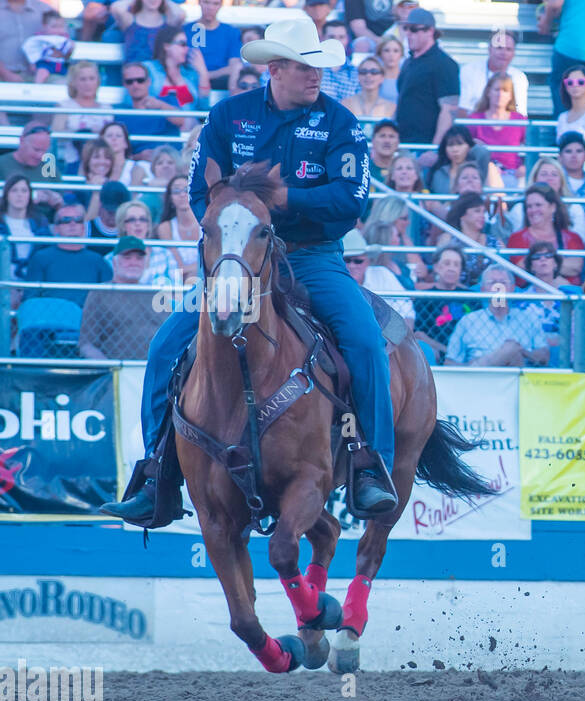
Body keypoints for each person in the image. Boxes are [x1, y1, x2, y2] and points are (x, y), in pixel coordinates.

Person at [101, 17, 399, 525]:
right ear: (276, 68)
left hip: (312, 259)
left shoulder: (341, 123)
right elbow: (200, 192)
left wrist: (286, 200)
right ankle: (156, 475)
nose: (317, 77)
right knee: (165, 347)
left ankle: (373, 466)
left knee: (366, 341)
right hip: (238, 261)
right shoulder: (226, 117)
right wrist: (234, 231)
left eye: (319, 68)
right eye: (307, 67)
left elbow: (353, 200)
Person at [78, 235, 166, 359]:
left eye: (139, 258)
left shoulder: (155, 293)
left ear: (145, 263)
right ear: (114, 262)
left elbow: (172, 336)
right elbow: (86, 344)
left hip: (158, 369)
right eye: (127, 257)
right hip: (119, 370)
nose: (133, 263)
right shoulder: (100, 293)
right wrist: (109, 368)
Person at [445, 263, 550, 366]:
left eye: (503, 283)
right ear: (483, 290)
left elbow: (544, 356)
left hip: (518, 378)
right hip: (478, 379)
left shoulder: (529, 318)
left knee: (514, 353)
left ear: (513, 289)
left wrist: (521, 350)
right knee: (510, 349)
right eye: (492, 283)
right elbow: (449, 362)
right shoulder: (468, 321)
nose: (498, 288)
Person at [24, 201, 112, 306]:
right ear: (56, 228)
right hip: (51, 318)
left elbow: (109, 300)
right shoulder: (40, 258)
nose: (72, 224)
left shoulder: (98, 261)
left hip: (88, 319)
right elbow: (30, 299)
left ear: (83, 227)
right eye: (66, 220)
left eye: (78, 220)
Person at [395, 9, 459, 145]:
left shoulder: (444, 63)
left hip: (425, 144)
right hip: (404, 141)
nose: (408, 33)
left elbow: (449, 110)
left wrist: (435, 149)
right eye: (406, 28)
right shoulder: (408, 62)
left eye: (413, 29)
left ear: (430, 31)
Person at [508, 184, 585, 281]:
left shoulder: (572, 237)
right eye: (529, 206)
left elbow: (576, 267)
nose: (533, 210)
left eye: (538, 205)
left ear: (553, 207)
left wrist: (537, 263)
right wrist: (557, 263)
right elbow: (520, 269)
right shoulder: (517, 238)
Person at [455, 28, 529, 122]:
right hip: (474, 127)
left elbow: (520, 115)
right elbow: (463, 109)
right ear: (489, 49)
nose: (504, 53)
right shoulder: (469, 70)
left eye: (508, 49)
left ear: (514, 53)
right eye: (499, 48)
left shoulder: (519, 77)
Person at [468, 72, 527, 188]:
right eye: (496, 90)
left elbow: (531, 148)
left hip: (513, 174)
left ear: (510, 95)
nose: (500, 94)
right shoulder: (474, 119)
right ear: (488, 92)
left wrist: (524, 167)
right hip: (482, 174)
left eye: (505, 90)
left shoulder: (519, 120)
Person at [143, 24, 210, 110]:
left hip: (189, 122)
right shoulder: (147, 69)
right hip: (157, 121)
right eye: (182, 44)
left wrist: (203, 73)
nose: (186, 48)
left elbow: (203, 109)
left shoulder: (191, 74)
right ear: (166, 46)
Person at [106, 0, 185, 67]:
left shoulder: (168, 22)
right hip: (135, 74)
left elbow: (180, 14)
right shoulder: (130, 21)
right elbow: (116, 7)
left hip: (159, 74)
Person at [0, 174, 49, 279]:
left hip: (33, 280)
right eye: (14, 190)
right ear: (6, 195)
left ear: (29, 195)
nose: (19, 195)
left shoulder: (40, 222)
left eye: (24, 191)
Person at [0, 122, 63, 203]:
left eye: (44, 151)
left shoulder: (49, 168)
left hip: (43, 214)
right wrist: (31, 197)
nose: (40, 156)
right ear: (22, 141)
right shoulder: (2, 164)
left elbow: (62, 204)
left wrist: (55, 200)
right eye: (36, 150)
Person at [185, 0, 241, 90]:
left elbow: (234, 65)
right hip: (191, 82)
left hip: (222, 83)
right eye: (206, 2)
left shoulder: (231, 32)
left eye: (215, 3)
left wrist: (206, 75)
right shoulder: (185, 30)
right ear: (199, 3)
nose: (210, 7)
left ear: (220, 5)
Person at [22, 9, 72, 83]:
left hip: (61, 64)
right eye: (54, 26)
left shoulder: (65, 39)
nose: (58, 30)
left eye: (61, 26)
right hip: (46, 63)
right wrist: (32, 63)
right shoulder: (39, 39)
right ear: (45, 26)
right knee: (42, 72)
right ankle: (37, 87)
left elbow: (67, 52)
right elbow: (30, 49)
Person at [342, 55, 396, 126]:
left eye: (374, 72)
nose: (368, 75)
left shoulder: (392, 107)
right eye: (363, 72)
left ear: (382, 77)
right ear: (358, 76)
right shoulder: (346, 104)